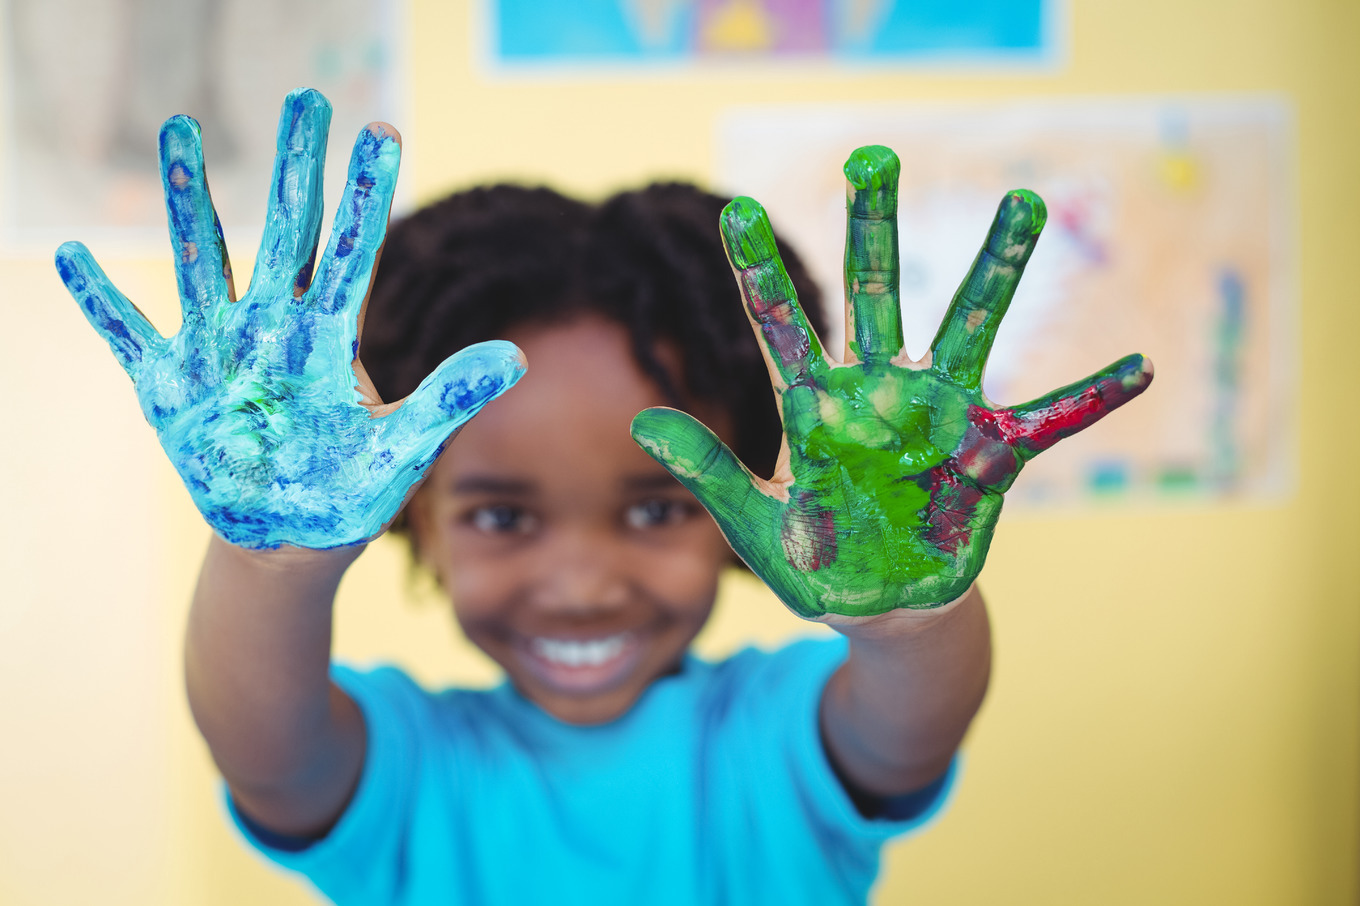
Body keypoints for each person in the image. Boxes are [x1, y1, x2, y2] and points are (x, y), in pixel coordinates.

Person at [55, 89, 1152, 904]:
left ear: (750, 506)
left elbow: (911, 726)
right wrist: (272, 552)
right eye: (501, 514)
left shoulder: (769, 739)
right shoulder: (411, 766)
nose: (581, 583)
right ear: (412, 512)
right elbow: (265, 749)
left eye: (653, 507)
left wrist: (909, 607)